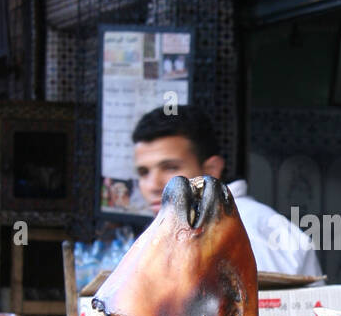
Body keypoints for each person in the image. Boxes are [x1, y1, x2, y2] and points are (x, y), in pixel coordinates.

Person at [131, 105, 322, 278]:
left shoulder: (244, 232)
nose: (153, 185)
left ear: (211, 169)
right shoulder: (178, 229)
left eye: (170, 168)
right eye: (143, 172)